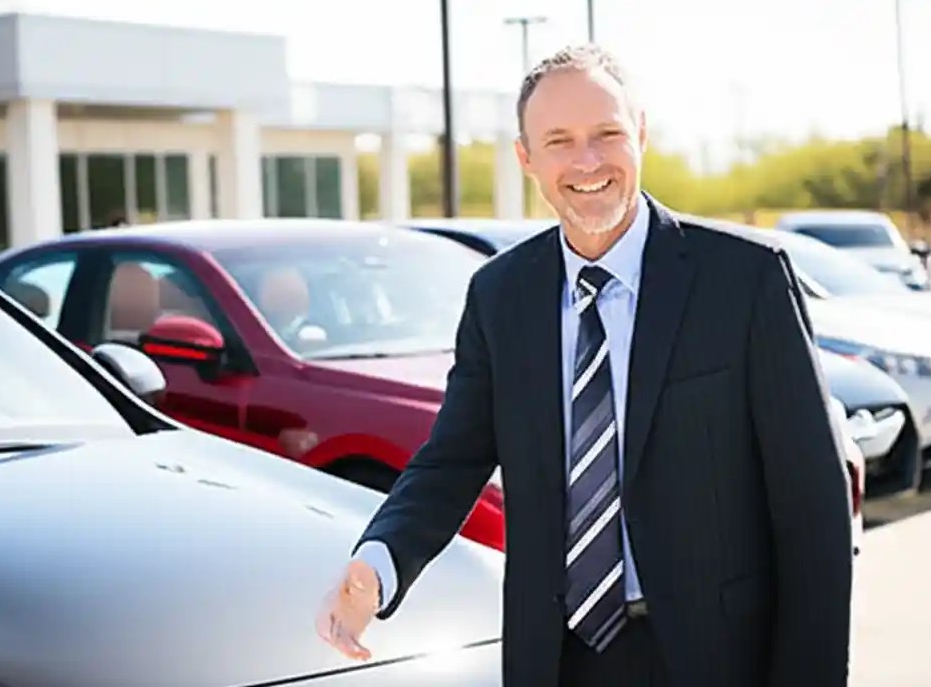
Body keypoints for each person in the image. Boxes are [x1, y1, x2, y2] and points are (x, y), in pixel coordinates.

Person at [314, 44, 854, 686]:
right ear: (527, 159)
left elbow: (813, 513)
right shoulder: (499, 296)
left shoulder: (747, 282)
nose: (588, 161)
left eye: (607, 134)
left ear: (642, 134)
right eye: (560, 141)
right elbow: (451, 460)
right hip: (556, 659)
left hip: (717, 658)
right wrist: (379, 562)